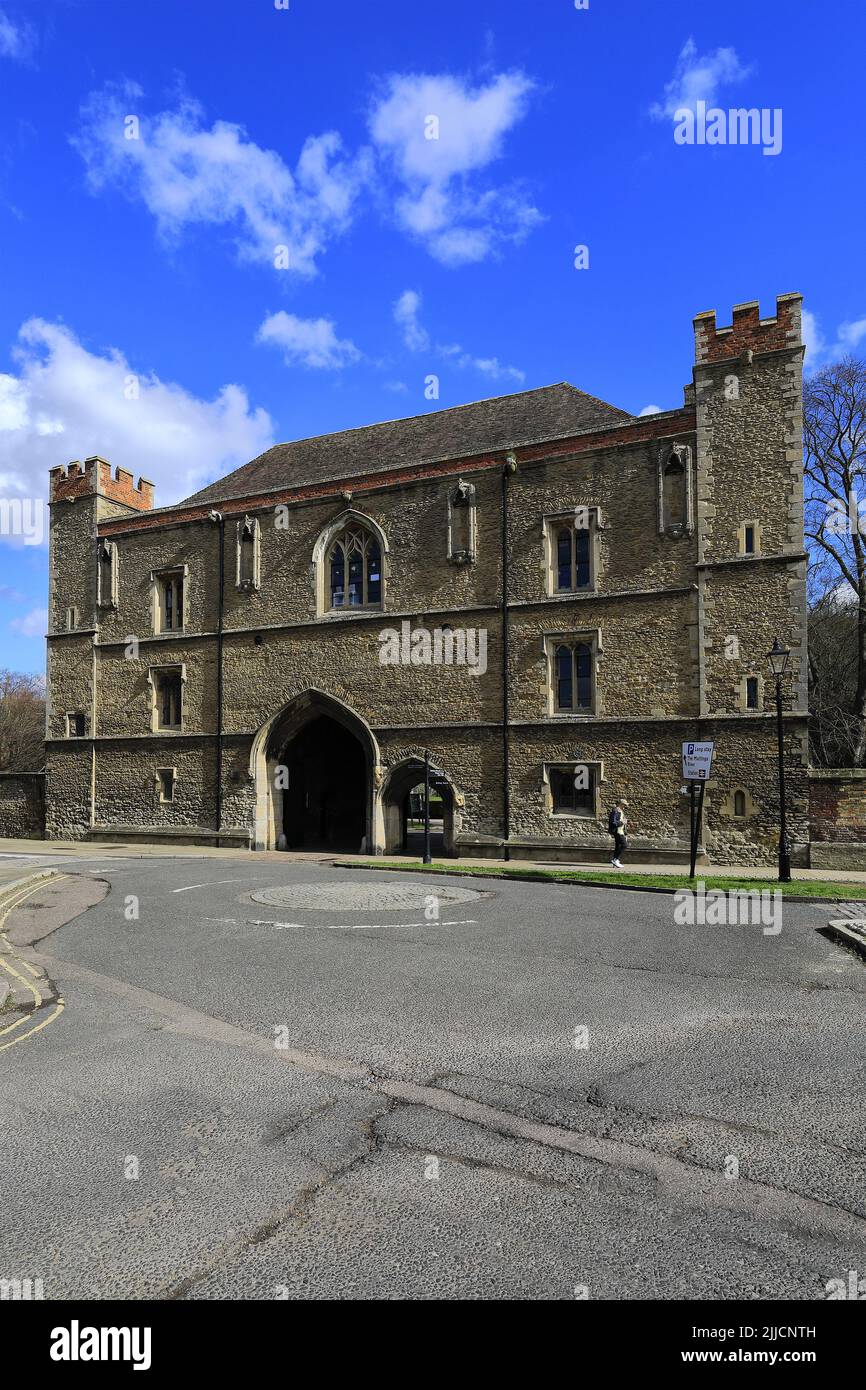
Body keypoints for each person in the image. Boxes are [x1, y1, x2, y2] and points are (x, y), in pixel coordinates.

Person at [608, 798, 629, 868]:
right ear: (621, 804)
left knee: (618, 846)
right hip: (617, 831)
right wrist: (622, 822)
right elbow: (613, 822)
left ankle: (615, 861)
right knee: (624, 845)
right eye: (624, 805)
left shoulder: (619, 811)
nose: (625, 807)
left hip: (620, 831)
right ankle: (616, 859)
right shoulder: (616, 811)